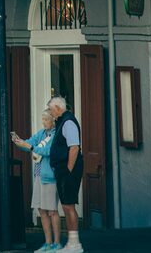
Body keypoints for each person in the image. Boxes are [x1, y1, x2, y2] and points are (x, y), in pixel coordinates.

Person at [11, 110, 61, 252]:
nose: (43, 122)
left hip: (50, 177)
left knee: (52, 210)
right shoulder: (41, 133)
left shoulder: (56, 135)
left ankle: (57, 244)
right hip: (38, 175)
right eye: (42, 119)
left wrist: (31, 147)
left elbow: (46, 151)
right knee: (41, 210)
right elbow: (29, 143)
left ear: (53, 121)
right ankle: (48, 243)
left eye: (46, 119)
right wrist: (18, 141)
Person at [47, 96, 84, 253]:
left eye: (50, 109)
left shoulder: (68, 121)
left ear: (57, 108)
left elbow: (74, 147)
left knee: (69, 206)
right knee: (66, 205)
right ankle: (72, 243)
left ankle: (75, 245)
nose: (49, 112)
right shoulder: (62, 121)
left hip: (68, 170)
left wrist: (68, 170)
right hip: (63, 169)